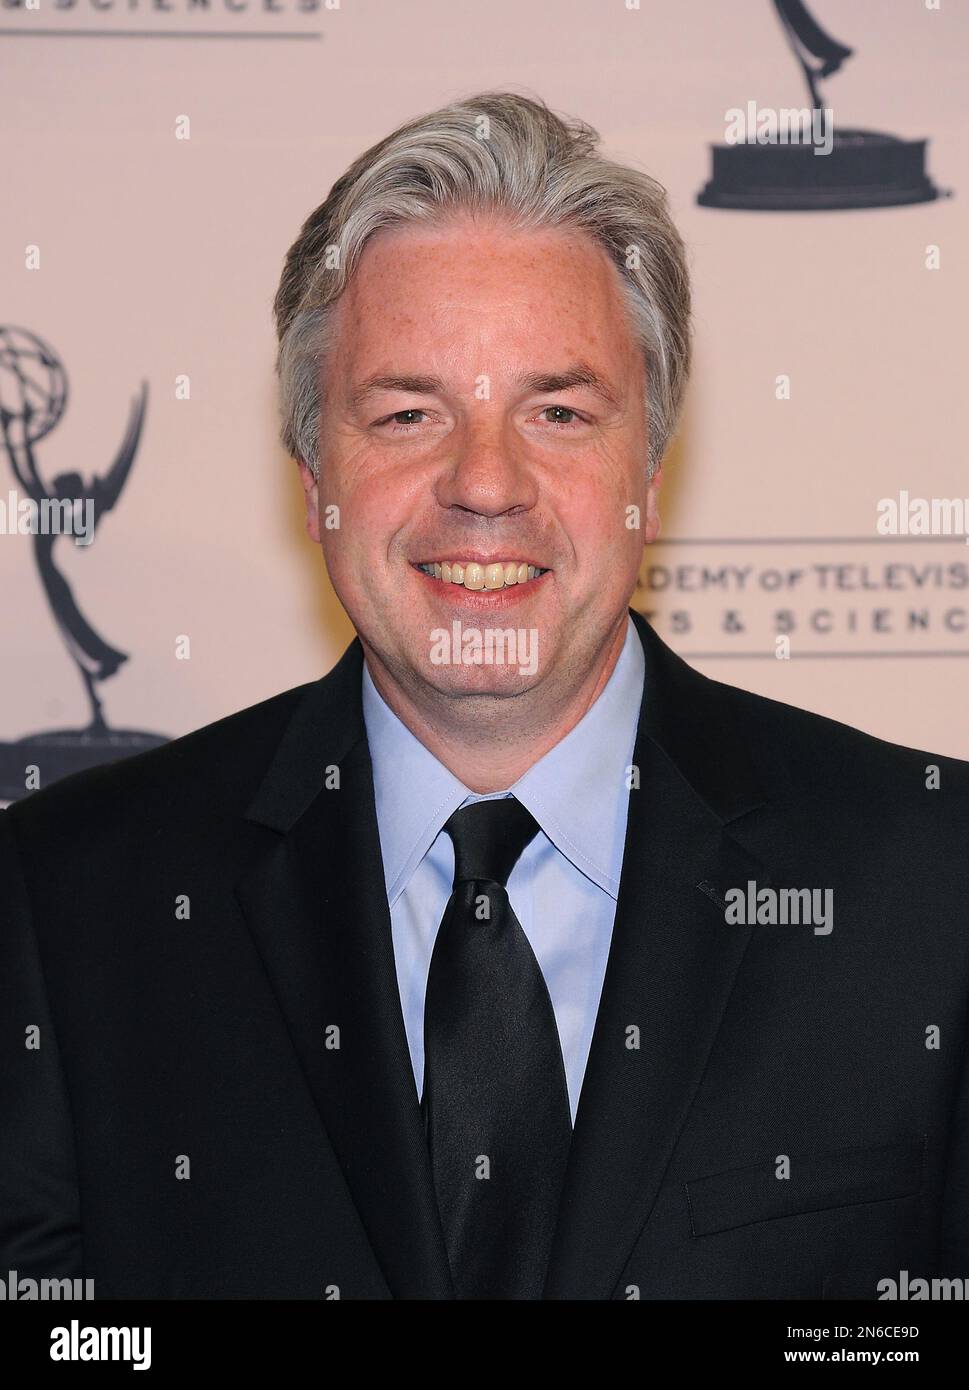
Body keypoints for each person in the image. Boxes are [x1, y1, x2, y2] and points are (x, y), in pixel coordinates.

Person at [1, 90, 966, 1301]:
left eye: (557, 413)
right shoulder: (69, 899)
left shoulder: (933, 883)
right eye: (409, 413)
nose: (485, 484)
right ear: (314, 483)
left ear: (650, 476)